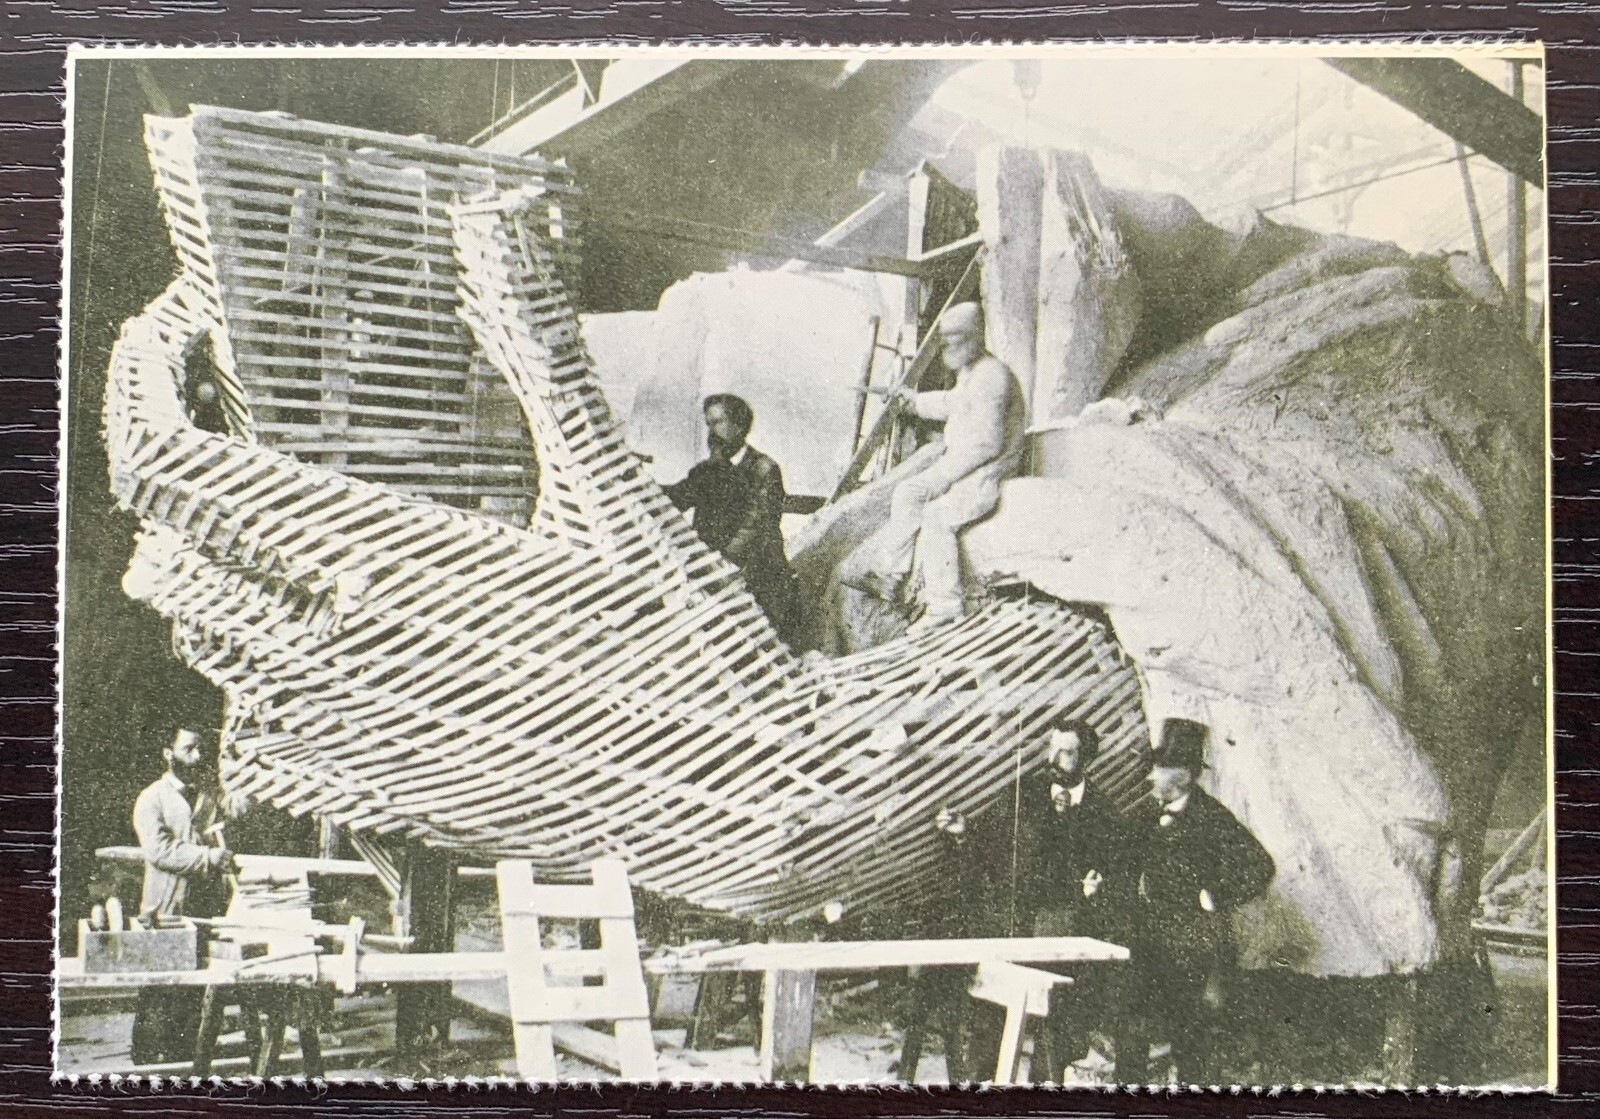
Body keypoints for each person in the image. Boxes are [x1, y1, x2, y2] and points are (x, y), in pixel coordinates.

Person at [931, 715, 1132, 1082]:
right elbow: (986, 844)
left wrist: (1101, 885)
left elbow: (1118, 875)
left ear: (1085, 759)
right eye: (1051, 748)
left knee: (1056, 1033)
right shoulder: (1023, 796)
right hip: (1014, 926)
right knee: (990, 1024)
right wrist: (963, 832)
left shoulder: (1105, 814)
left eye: (1066, 752)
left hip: (1067, 936)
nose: (1053, 758)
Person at [843, 302, 1026, 630]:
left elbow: (987, 443)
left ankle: (945, 606)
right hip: (967, 467)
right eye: (945, 341)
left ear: (973, 337)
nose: (947, 348)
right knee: (907, 492)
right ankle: (892, 574)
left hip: (988, 471)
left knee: (937, 517)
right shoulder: (972, 372)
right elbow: (952, 404)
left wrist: (942, 477)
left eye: (953, 341)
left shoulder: (992, 376)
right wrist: (912, 402)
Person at [1116, 718, 1275, 1086]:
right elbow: (1117, 857)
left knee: (1187, 1028)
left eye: (1159, 770)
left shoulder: (1213, 817)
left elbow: (1260, 865)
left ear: (1185, 775)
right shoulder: (1144, 814)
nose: (1151, 777)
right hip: (1147, 936)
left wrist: (1216, 895)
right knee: (1131, 1022)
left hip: (1192, 941)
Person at [128, 728, 236, 1064]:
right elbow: (159, 851)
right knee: (160, 986)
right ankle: (145, 1060)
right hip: (166, 907)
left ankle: (186, 1056)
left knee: (196, 986)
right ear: (167, 752)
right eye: (188, 749)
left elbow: (239, 809)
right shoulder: (152, 798)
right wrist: (206, 858)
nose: (197, 757)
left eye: (200, 749)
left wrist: (241, 772)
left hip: (205, 904)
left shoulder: (209, 795)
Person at [664, 393, 802, 643]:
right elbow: (675, 499)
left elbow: (758, 523)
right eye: (708, 423)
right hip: (717, 574)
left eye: (717, 422)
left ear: (739, 425)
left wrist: (724, 558)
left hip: (758, 575)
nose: (712, 432)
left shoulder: (764, 469)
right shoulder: (707, 471)